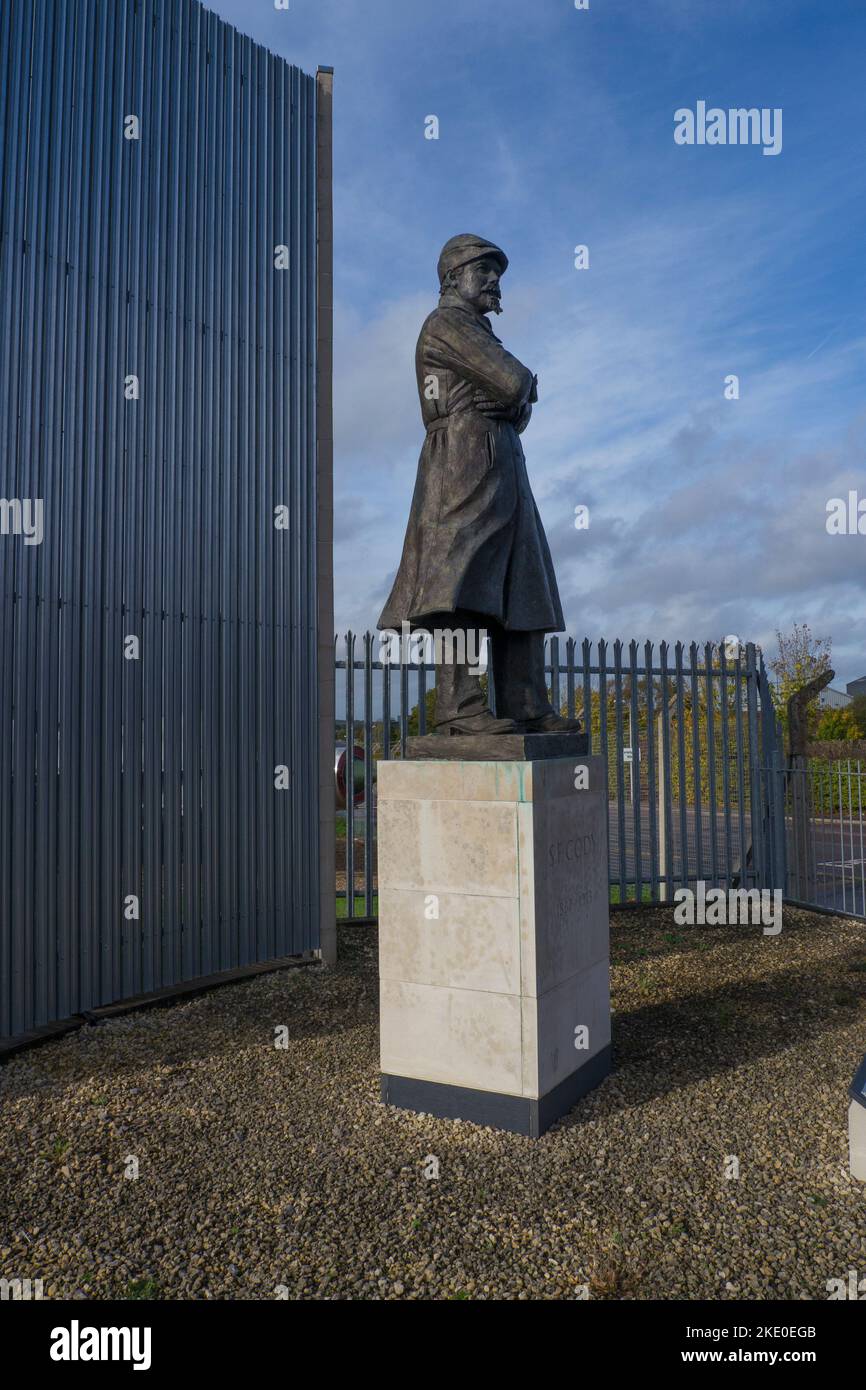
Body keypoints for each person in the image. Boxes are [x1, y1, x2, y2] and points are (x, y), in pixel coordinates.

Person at [378, 233, 580, 735]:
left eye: (498, 274)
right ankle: (461, 709)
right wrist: (515, 393)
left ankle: (526, 705)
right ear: (453, 278)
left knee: (521, 585)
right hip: (462, 464)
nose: (494, 282)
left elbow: (518, 405)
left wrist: (513, 399)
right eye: (484, 271)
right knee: (463, 582)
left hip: (503, 459)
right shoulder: (447, 324)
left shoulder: (477, 330)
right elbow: (515, 383)